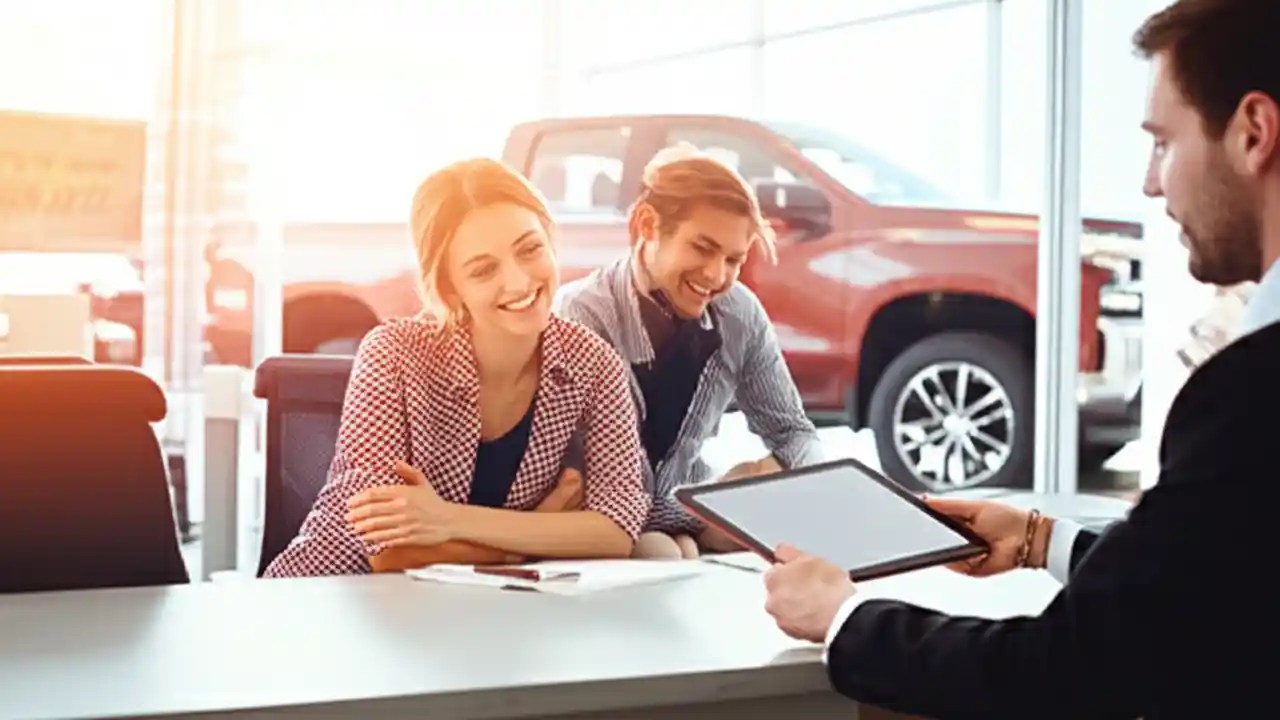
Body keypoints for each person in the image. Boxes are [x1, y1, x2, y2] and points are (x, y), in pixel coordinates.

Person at [763, 1, 1279, 718]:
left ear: (1254, 133)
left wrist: (844, 615)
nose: (1150, 183)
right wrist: (1043, 541)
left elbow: (1071, 669)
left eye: (1162, 142)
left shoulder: (1252, 391)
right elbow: (1206, 591)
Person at [264, 158, 651, 577]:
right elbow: (389, 553)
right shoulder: (393, 354)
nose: (519, 282)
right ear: (450, 287)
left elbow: (616, 530)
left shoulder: (592, 362)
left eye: (530, 249)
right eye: (484, 270)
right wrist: (536, 538)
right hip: (335, 599)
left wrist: (448, 520)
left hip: (476, 614)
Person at [555, 145, 823, 559]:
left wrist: (804, 485)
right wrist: (708, 512)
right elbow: (597, 486)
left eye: (734, 259)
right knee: (662, 552)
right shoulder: (581, 316)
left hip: (691, 503)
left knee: (769, 514)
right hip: (602, 516)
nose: (716, 276)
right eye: (702, 248)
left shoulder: (740, 314)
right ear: (646, 225)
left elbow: (792, 432)